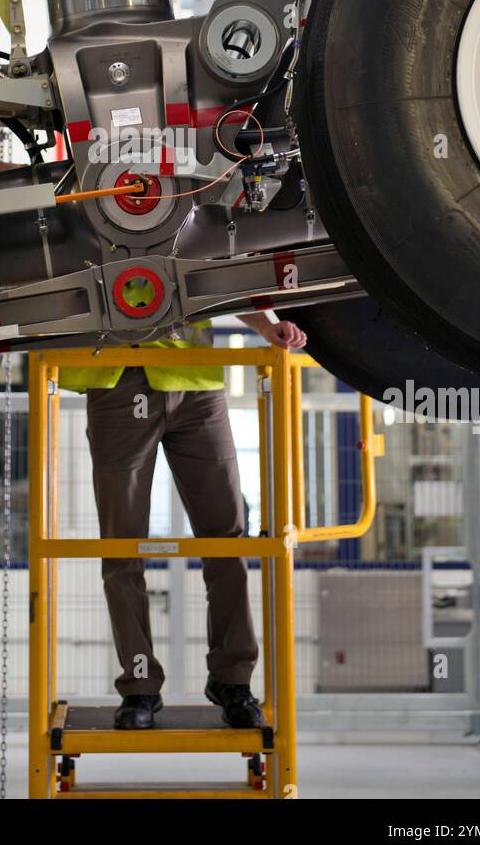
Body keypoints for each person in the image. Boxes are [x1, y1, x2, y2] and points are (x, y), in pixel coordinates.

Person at [60, 310, 307, 730]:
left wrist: (265, 326)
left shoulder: (188, 238)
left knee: (228, 541)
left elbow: (220, 268)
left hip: (195, 380)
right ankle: (139, 686)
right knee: (121, 548)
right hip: (117, 375)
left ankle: (232, 680)